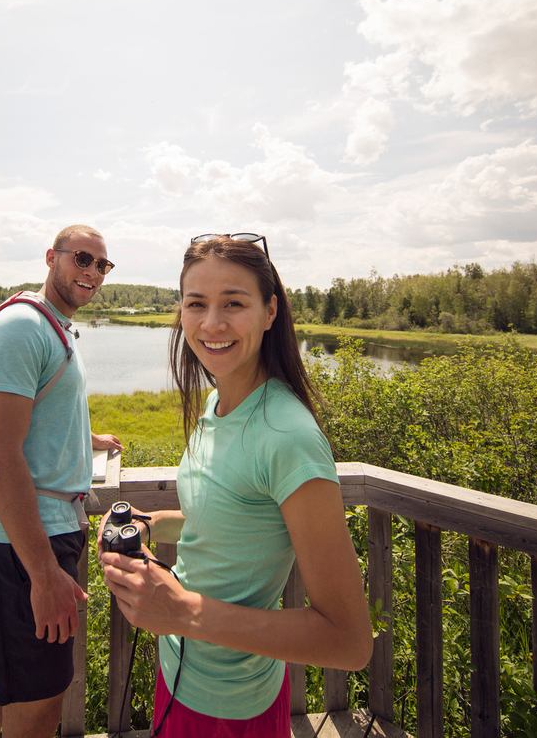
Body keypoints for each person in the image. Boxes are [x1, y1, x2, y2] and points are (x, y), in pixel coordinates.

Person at [100, 233, 372, 737]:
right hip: (179, 672)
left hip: (231, 705)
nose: (212, 323)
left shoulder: (286, 436)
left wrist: (181, 611)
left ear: (271, 312)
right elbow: (238, 520)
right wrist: (155, 523)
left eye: (234, 303)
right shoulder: (217, 406)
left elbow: (349, 641)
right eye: (196, 304)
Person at [0, 224, 123, 738]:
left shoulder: (52, 327)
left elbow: (31, 419)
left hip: (38, 534)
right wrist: (45, 573)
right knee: (39, 704)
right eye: (82, 259)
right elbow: (2, 455)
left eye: (102, 265)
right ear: (51, 257)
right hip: (24, 544)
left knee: (7, 677)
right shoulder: (21, 328)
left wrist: (84, 437)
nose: (92, 272)